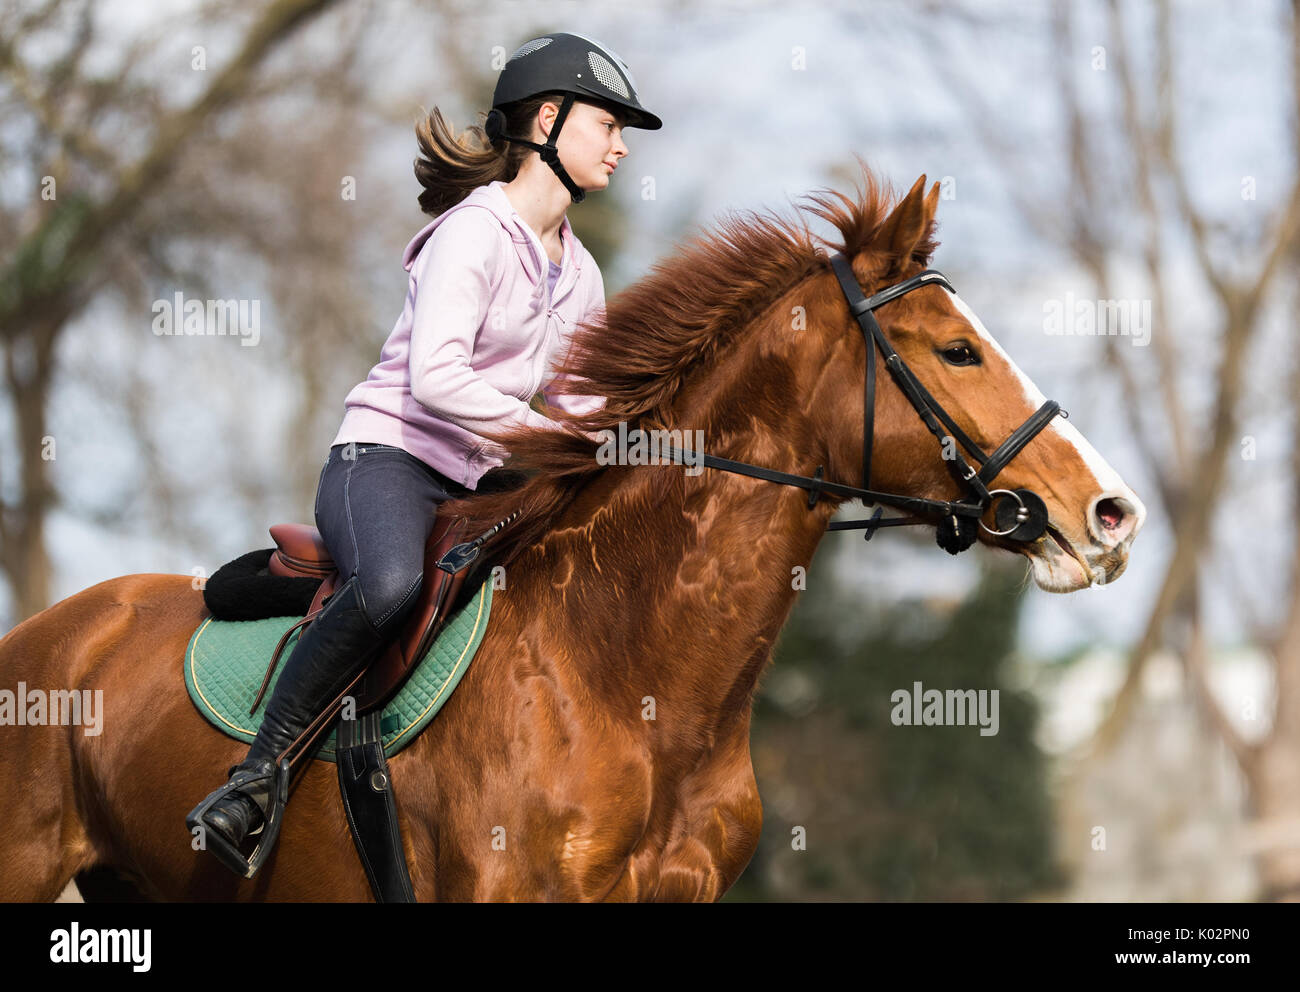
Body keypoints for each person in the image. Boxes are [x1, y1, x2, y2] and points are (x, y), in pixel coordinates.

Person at [186, 31, 661, 878]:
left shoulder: (581, 275)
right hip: (388, 458)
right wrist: (548, 430)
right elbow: (438, 381)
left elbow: (581, 402)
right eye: (608, 125)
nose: (622, 146)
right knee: (394, 584)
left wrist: (641, 449)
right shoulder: (472, 231)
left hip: (479, 475)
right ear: (547, 121)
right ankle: (253, 780)